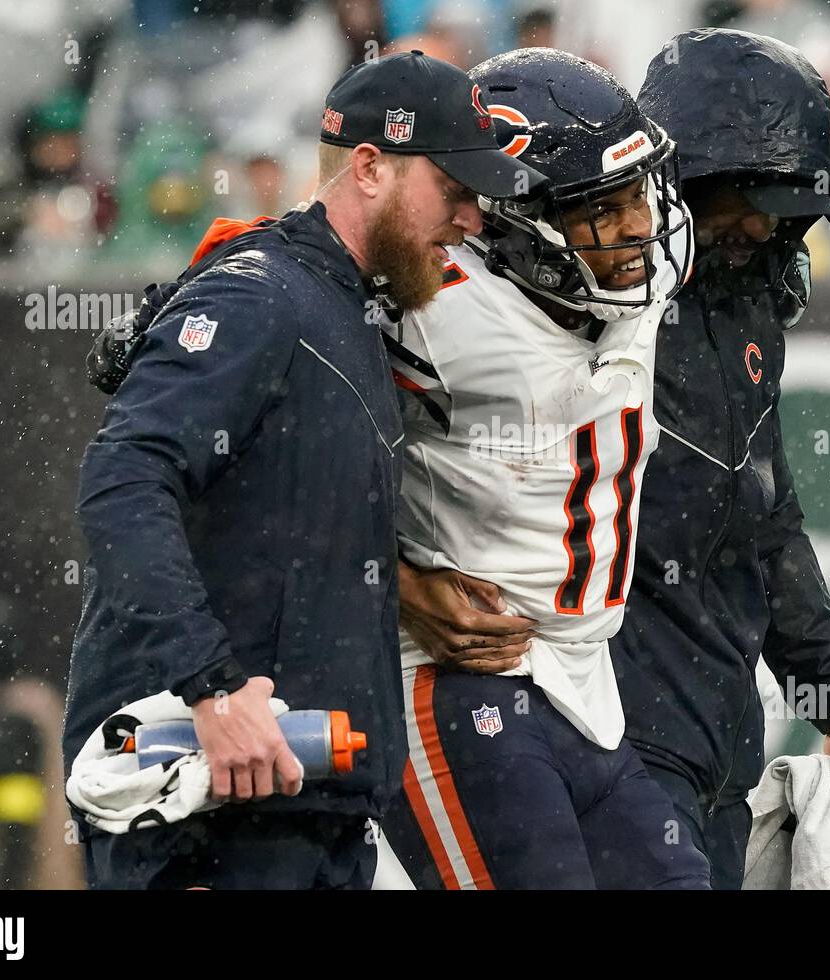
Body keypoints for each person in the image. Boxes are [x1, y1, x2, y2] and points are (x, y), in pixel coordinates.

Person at [64, 50, 546, 890]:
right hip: (208, 802)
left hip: (306, 802)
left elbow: (279, 528)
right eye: (456, 190)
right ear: (370, 168)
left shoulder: (345, 303)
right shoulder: (261, 294)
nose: (472, 218)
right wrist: (210, 689)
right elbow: (124, 478)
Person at [380, 48, 709, 889]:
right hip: (457, 681)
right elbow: (265, 439)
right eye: (602, 208)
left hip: (585, 688)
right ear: (505, 215)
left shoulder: (646, 266)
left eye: (639, 193)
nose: (638, 228)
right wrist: (393, 580)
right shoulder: (428, 305)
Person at [611, 29, 830, 889]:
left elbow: (766, 522)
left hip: (724, 728)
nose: (762, 224)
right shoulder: (590, 305)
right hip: (603, 714)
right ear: (681, 183)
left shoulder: (750, 306)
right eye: (743, 197)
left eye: (782, 202)